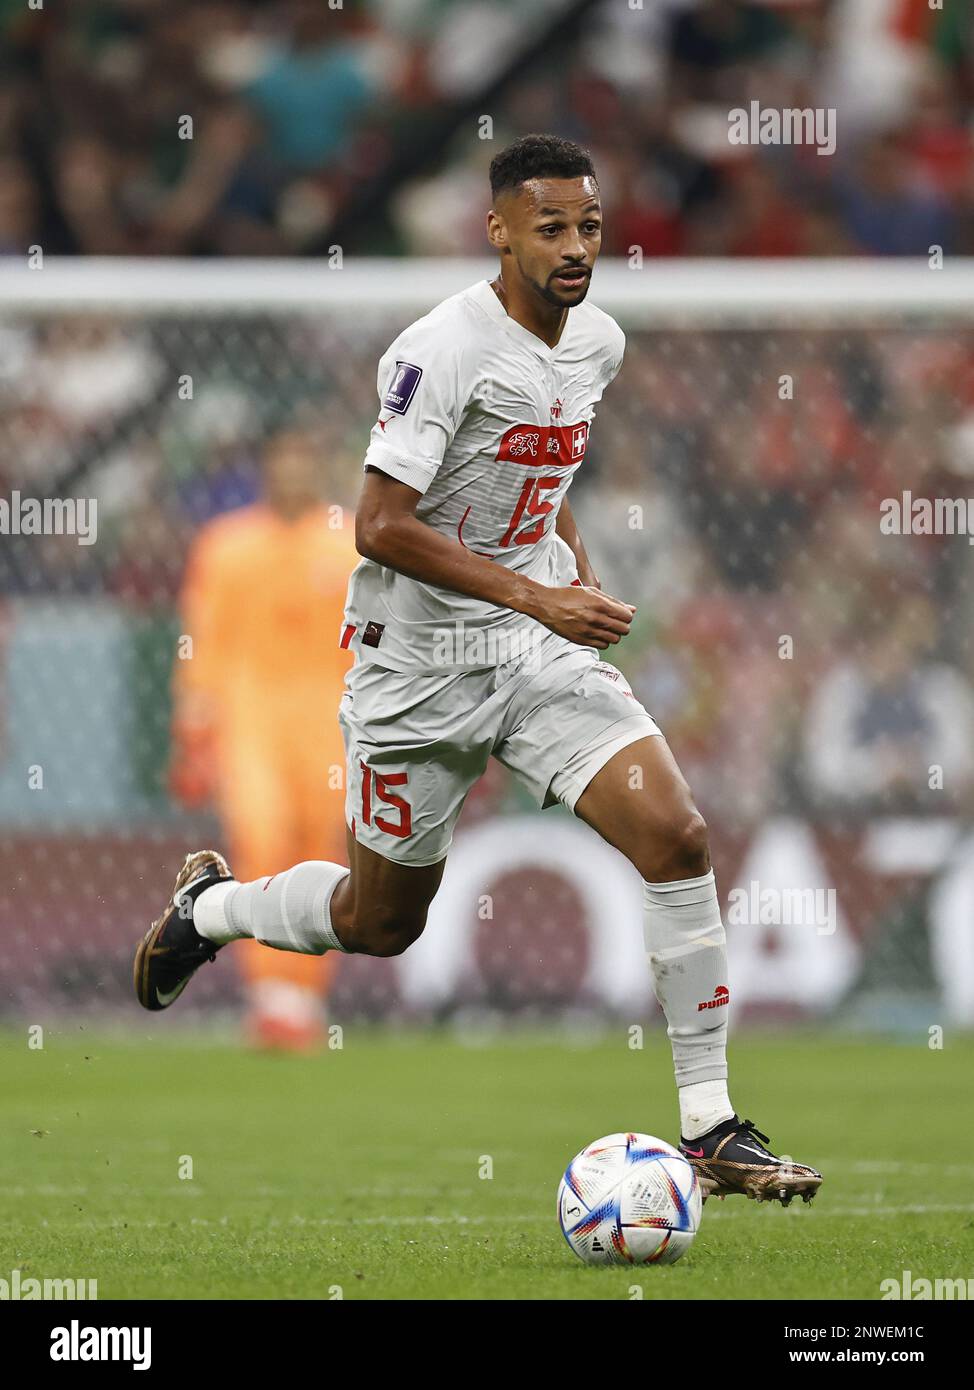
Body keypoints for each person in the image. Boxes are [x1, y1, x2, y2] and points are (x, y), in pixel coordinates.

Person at [135, 134, 822, 1205]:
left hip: (531, 648)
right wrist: (539, 592)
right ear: (496, 230)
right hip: (415, 667)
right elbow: (377, 524)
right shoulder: (438, 348)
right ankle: (211, 911)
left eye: (588, 226)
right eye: (548, 227)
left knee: (675, 835)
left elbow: (536, 468)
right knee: (379, 922)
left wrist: (564, 567)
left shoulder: (597, 342)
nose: (574, 246)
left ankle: (709, 1126)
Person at [168, 429, 358, 1048]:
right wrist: (195, 730)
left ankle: (303, 994)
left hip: (330, 719)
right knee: (261, 839)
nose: (294, 474)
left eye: (305, 460)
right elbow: (204, 639)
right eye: (284, 461)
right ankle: (271, 992)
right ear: (264, 470)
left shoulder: (351, 542)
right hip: (249, 715)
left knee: (321, 851)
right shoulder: (226, 546)